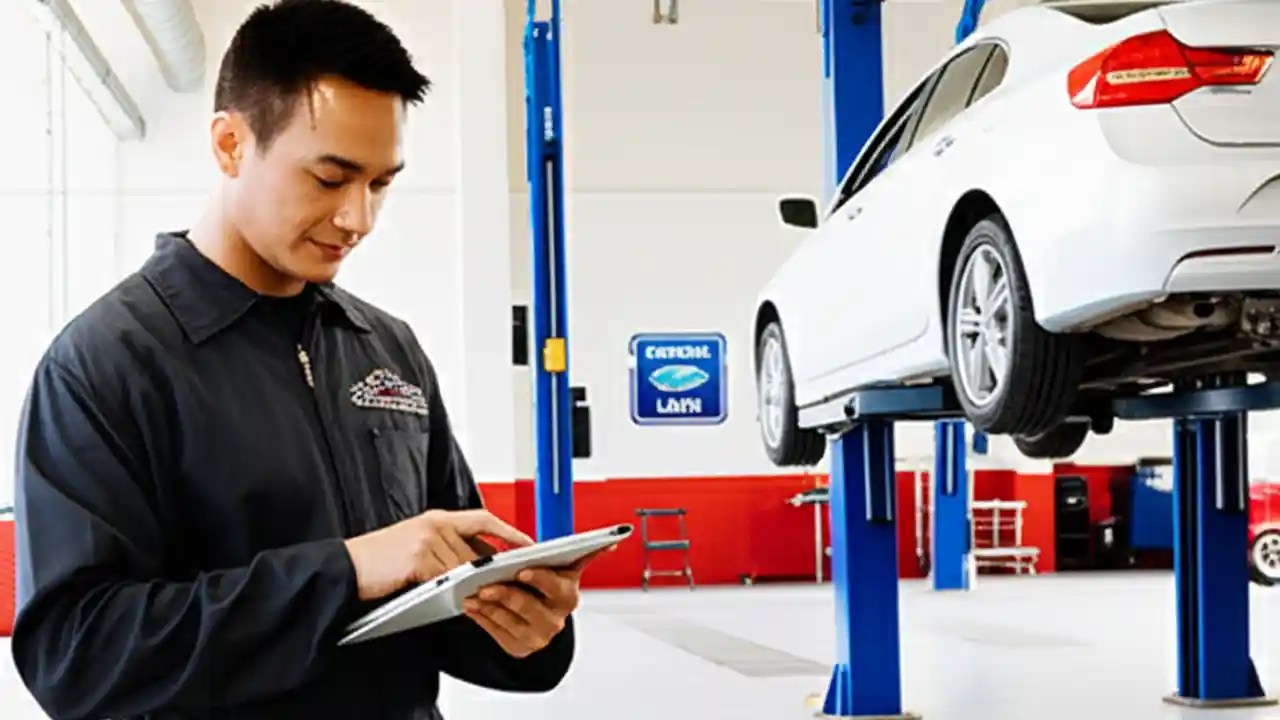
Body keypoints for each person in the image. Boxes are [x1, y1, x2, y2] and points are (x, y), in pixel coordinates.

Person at [9, 1, 595, 717]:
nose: (359, 218)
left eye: (380, 183)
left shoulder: (389, 349)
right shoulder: (106, 365)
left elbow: (444, 601)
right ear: (230, 145)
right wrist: (345, 571)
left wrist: (527, 629)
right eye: (329, 178)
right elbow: (78, 655)